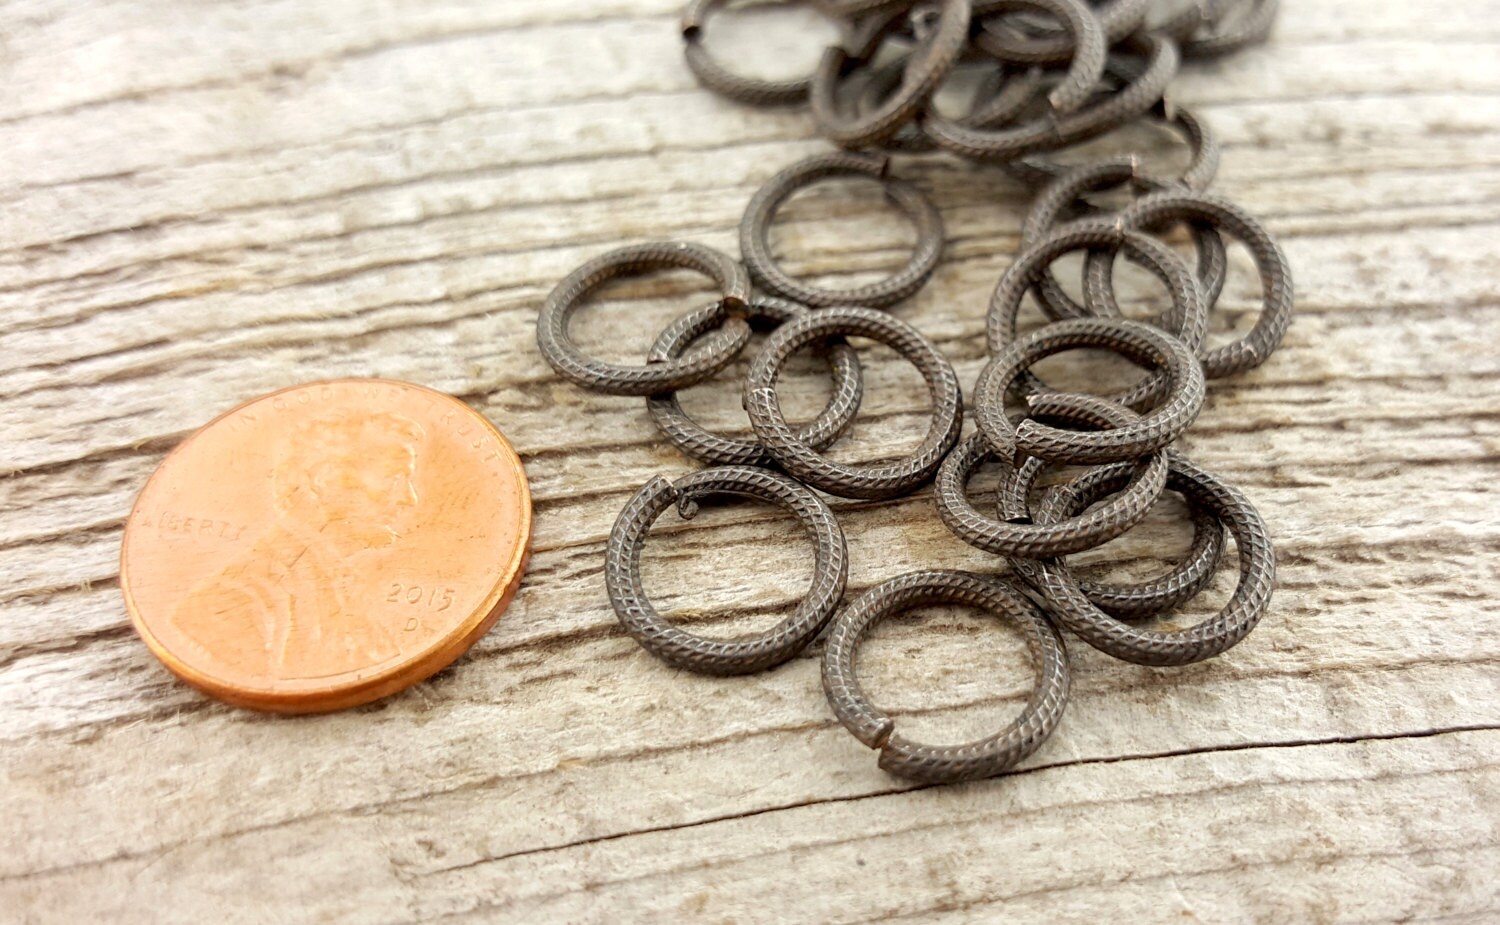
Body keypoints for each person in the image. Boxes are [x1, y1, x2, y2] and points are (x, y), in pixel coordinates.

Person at [171, 409, 423, 681]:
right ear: (325, 479)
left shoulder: (338, 587)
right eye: (393, 478)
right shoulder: (238, 601)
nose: (408, 499)